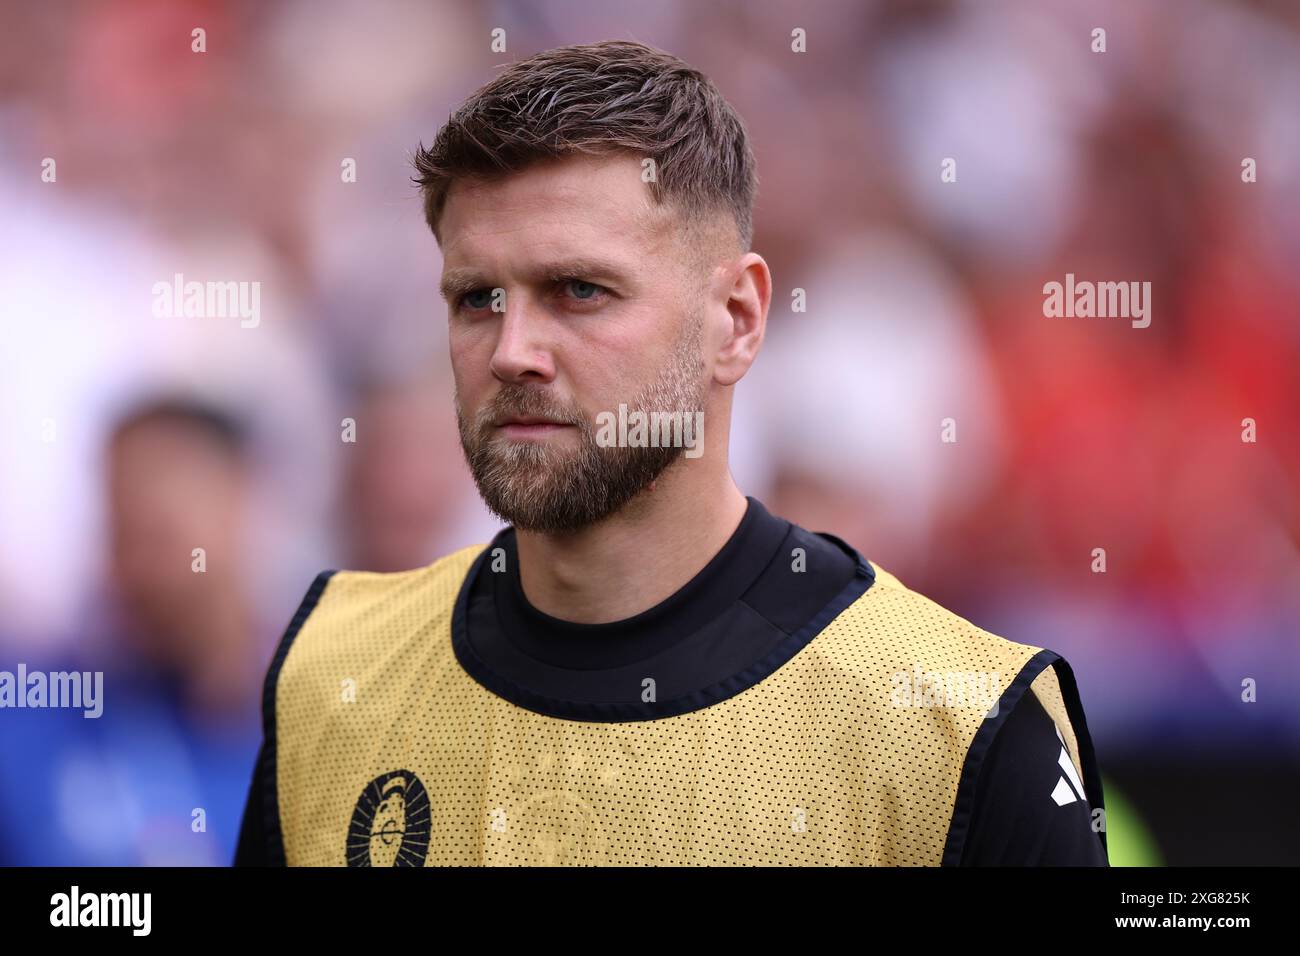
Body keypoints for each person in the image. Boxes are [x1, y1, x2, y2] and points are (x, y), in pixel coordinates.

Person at [235, 40, 1107, 866]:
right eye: (477, 297)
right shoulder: (331, 672)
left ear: (736, 320)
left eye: (579, 290)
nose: (511, 350)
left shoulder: (961, 727)